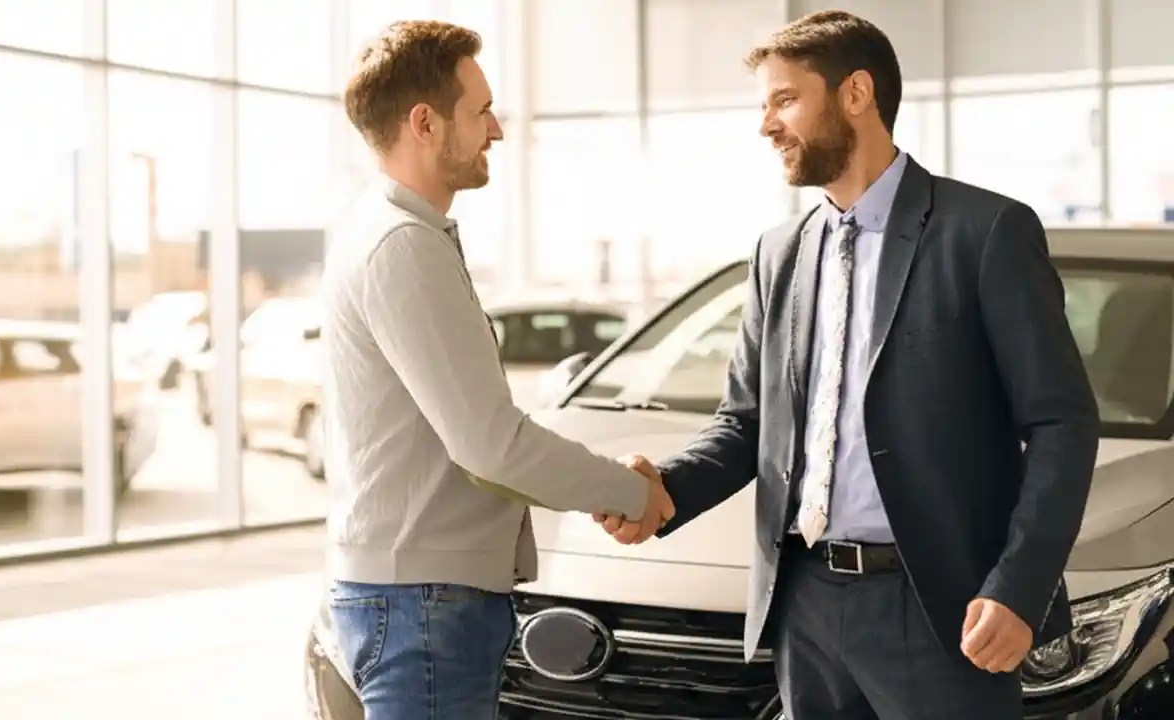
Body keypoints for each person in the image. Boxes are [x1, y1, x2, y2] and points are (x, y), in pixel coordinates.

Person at [596, 10, 1100, 719]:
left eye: (784, 100)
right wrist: (664, 491)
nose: (766, 124)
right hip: (805, 604)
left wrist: (1020, 586)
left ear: (856, 94)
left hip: (938, 611)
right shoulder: (779, 253)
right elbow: (747, 425)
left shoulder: (984, 233)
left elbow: (1062, 423)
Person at [319, 20, 673, 719]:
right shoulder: (402, 246)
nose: (498, 131)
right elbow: (489, 444)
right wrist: (632, 495)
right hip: (423, 608)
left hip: (414, 599)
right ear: (424, 123)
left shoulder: (393, 232)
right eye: (480, 111)